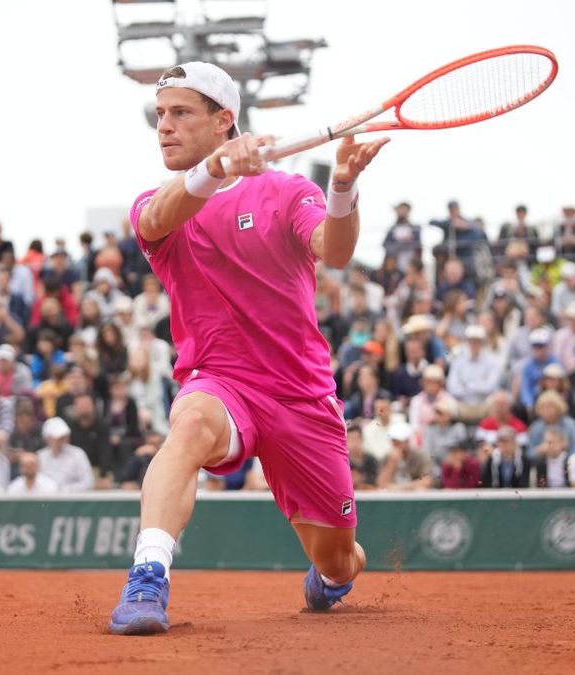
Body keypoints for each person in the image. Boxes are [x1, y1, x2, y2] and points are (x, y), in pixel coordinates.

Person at [108, 62, 389, 633]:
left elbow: (332, 250)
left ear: (223, 120)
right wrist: (214, 167)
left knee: (337, 557)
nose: (165, 126)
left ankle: (331, 579)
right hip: (220, 382)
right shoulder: (153, 205)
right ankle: (147, 579)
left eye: (181, 113)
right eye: (161, 115)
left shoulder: (286, 192)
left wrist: (342, 187)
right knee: (187, 424)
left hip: (300, 396)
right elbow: (166, 213)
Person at [36, 417, 95, 493]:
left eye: (65, 436)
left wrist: (64, 490)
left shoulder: (78, 454)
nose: (63, 440)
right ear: (48, 439)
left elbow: (88, 482)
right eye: (59, 437)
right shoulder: (40, 456)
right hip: (45, 501)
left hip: (73, 501)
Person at [378, 422, 435, 490]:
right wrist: (391, 463)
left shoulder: (420, 456)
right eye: (393, 441)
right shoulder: (387, 456)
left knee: (421, 489)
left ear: (407, 441)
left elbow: (427, 480)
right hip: (393, 496)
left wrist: (401, 488)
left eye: (399, 441)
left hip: (415, 495)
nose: (396, 444)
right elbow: (381, 484)